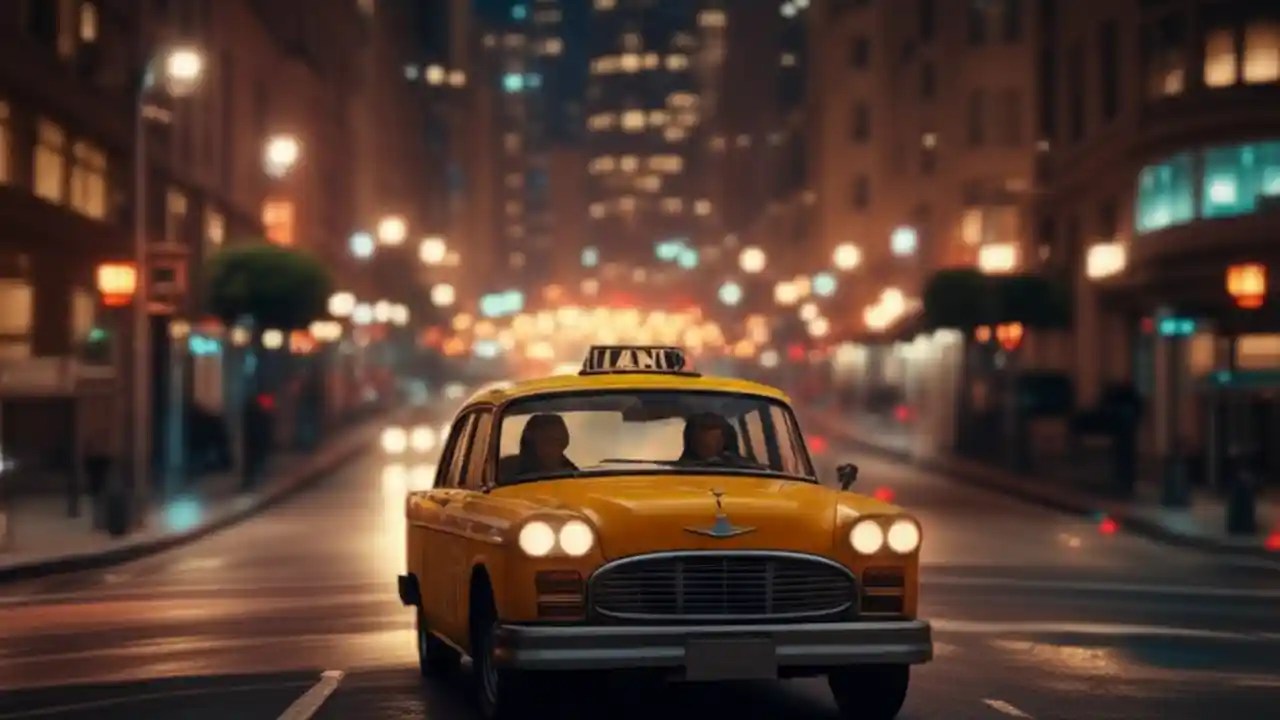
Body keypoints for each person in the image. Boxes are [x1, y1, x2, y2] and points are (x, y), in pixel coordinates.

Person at [499, 413, 577, 482]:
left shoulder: (573, 475)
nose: (553, 447)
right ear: (532, 443)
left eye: (558, 441)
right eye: (547, 440)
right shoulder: (506, 471)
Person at [679, 412, 745, 465]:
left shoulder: (739, 466)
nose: (716, 445)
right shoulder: (682, 470)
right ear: (693, 442)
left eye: (719, 441)